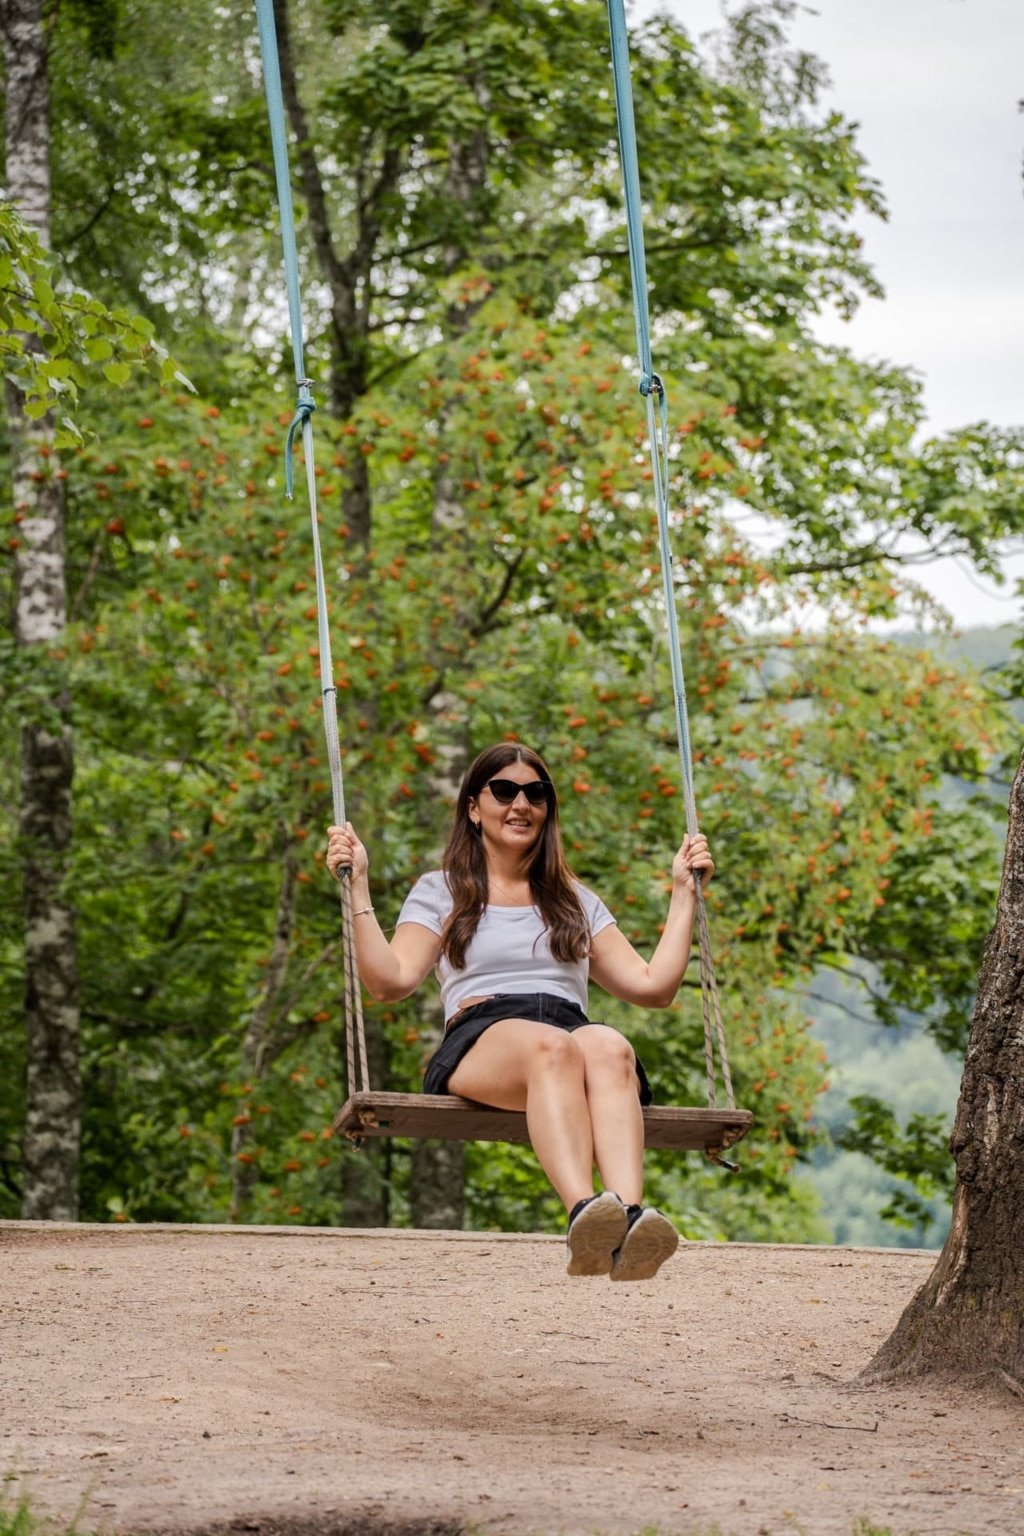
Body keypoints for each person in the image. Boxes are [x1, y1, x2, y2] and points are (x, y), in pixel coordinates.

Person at [326, 741, 713, 1282]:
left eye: (536, 793)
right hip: (484, 1037)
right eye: (503, 790)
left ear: (548, 807)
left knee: (609, 1045)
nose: (520, 804)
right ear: (473, 807)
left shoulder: (573, 901)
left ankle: (625, 1221)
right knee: (550, 1047)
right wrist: (358, 886)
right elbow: (389, 982)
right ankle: (584, 1211)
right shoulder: (442, 892)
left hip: (567, 1029)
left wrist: (682, 893)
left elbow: (654, 987)